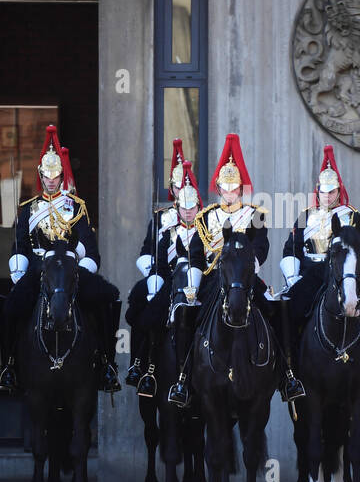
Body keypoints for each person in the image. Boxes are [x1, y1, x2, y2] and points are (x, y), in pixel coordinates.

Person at [167, 133, 304, 406]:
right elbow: (196, 252)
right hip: (213, 278)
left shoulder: (255, 215)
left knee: (278, 309)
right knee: (185, 313)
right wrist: (192, 285)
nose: (229, 194)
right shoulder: (206, 217)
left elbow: (261, 247)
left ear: (240, 189)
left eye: (234, 189)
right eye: (225, 188)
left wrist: (248, 268)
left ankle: (287, 374)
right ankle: (183, 378)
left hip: (244, 279)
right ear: (219, 188)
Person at [0, 125, 121, 393]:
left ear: (61, 176)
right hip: (40, 271)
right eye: (47, 176)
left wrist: (81, 269)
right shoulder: (28, 208)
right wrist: (18, 268)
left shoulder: (76, 206)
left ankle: (106, 363)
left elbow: (90, 249)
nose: (51, 181)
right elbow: (19, 246)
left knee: (106, 300)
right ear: (40, 175)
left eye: (56, 177)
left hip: (70, 270)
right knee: (11, 307)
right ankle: (9, 365)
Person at [280, 144, 360, 390]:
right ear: (318, 191)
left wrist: (357, 268)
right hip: (314, 272)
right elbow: (290, 249)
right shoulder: (306, 216)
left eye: (332, 191)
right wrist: (293, 277)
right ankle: (289, 371)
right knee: (288, 308)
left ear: (339, 191)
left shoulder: (352, 216)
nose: (327, 196)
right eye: (323, 192)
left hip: (347, 272)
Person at [136, 159, 203, 398]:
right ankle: (145, 367)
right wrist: (154, 275)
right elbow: (152, 253)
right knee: (147, 309)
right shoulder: (164, 223)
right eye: (176, 187)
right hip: (169, 277)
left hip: (198, 279)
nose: (186, 208)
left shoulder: (205, 224)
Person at [125, 138, 188, 389]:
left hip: (189, 277)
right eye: (176, 186)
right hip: (162, 274)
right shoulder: (160, 218)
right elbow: (145, 251)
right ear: (171, 189)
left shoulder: (202, 218)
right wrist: (152, 272)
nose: (180, 191)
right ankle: (139, 363)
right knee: (140, 301)